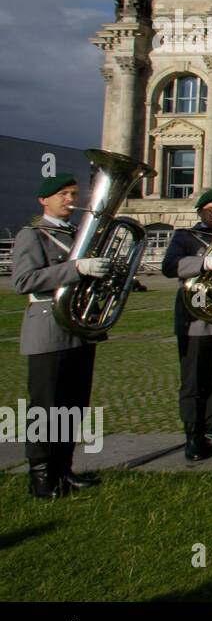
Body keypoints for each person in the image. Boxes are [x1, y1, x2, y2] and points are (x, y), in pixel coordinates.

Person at [12, 173, 109, 498]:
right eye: (64, 194)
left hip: (78, 328)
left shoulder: (79, 234)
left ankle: (64, 469)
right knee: (46, 407)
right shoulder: (33, 235)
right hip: (47, 329)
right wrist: (76, 269)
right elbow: (24, 281)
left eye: (73, 193)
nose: (71, 199)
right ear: (45, 200)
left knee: (72, 405)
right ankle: (41, 475)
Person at [161, 187, 212, 459]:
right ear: (200, 212)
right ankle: (193, 436)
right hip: (195, 319)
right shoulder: (185, 237)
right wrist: (204, 262)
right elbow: (169, 266)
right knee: (194, 380)